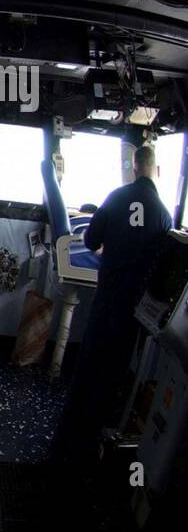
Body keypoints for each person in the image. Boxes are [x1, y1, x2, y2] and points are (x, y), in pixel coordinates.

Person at [55, 144, 172, 468]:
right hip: (134, 308)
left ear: (134, 168)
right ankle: (96, 439)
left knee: (90, 364)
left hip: (106, 297)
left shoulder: (116, 197)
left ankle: (68, 436)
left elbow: (91, 241)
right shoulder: (164, 214)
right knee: (114, 371)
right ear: (155, 170)